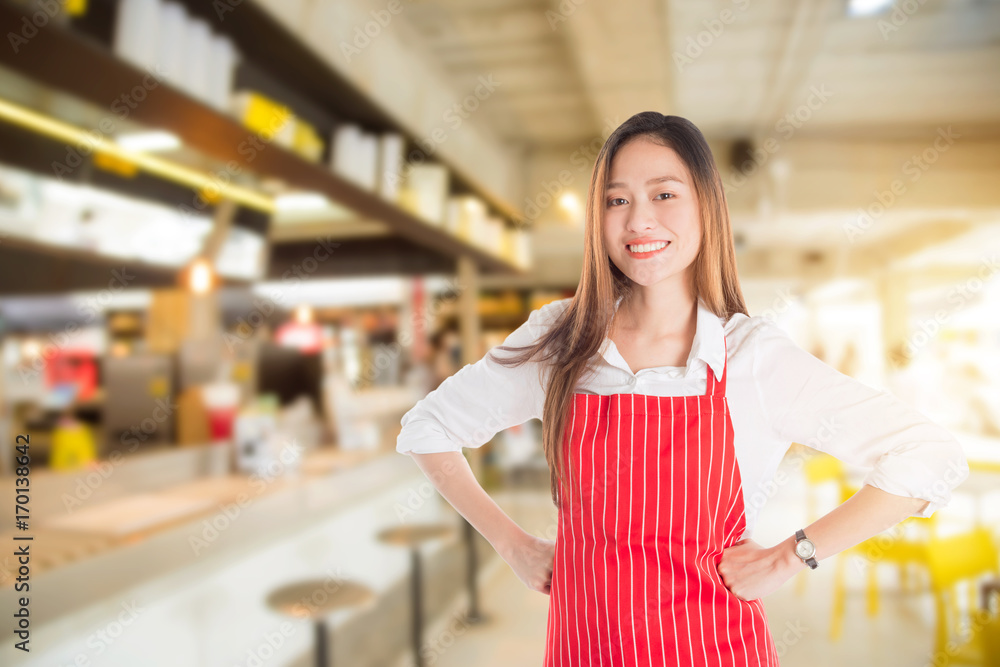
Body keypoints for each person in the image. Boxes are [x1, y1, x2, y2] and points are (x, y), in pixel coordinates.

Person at [394, 112, 969, 665]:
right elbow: (428, 427)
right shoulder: (561, 339)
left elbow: (932, 456)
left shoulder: (751, 358)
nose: (638, 221)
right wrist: (512, 544)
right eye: (617, 200)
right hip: (583, 648)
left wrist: (794, 554)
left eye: (664, 194)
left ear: (707, 208)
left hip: (713, 649)